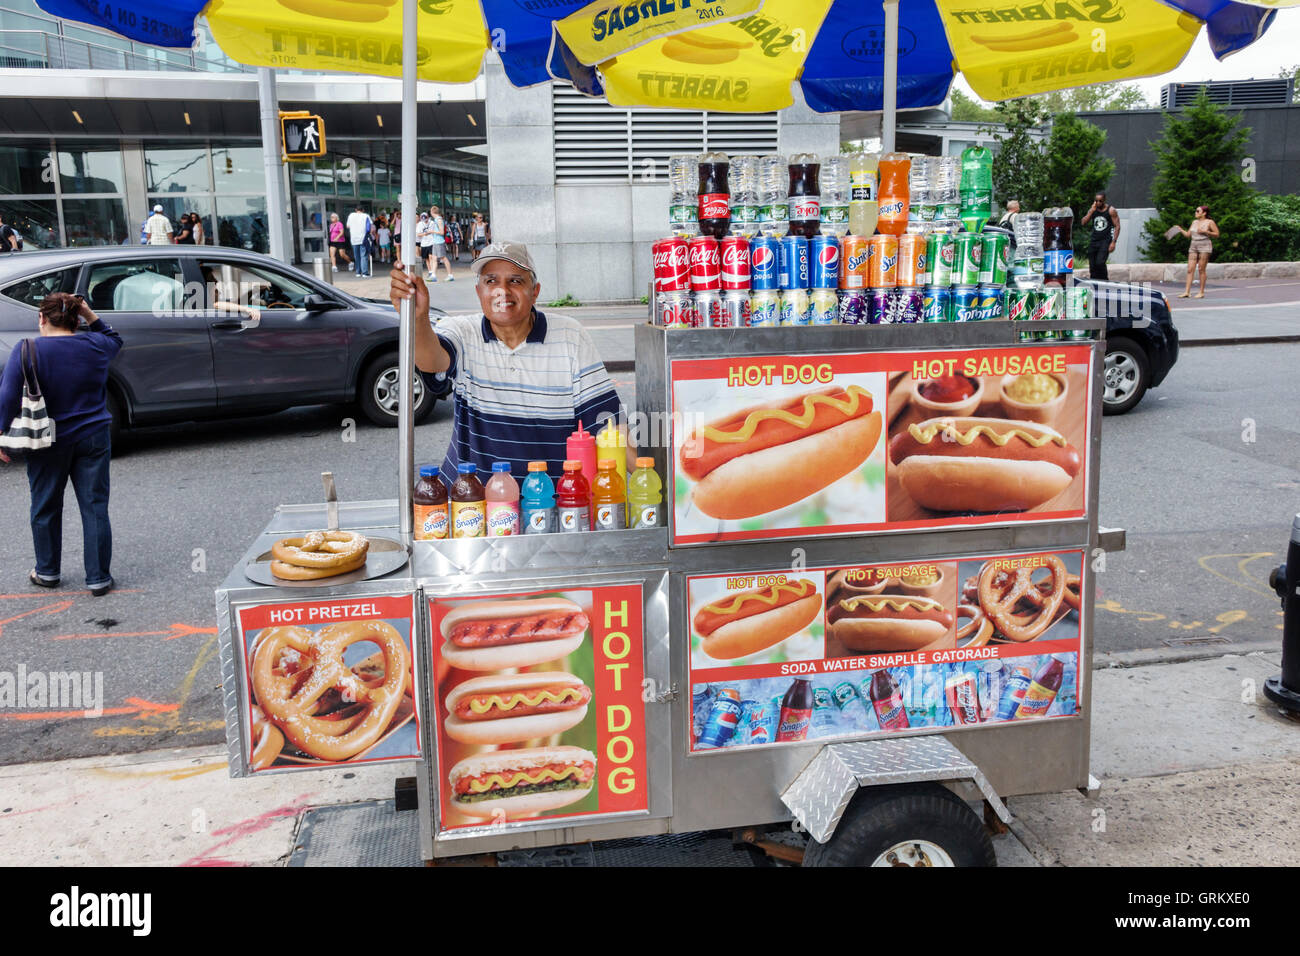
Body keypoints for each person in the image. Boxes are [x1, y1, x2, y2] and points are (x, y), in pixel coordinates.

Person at [389, 241, 622, 484]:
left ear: (535, 292)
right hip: (472, 505)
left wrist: (647, 478)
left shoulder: (570, 336)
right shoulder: (462, 331)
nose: (503, 291)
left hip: (547, 502)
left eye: (515, 281)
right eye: (491, 281)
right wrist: (418, 319)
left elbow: (608, 424)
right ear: (479, 291)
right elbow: (432, 361)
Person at [0, 293, 122, 596]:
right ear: (77, 319)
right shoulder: (95, 345)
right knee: (95, 507)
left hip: (45, 439)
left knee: (45, 505)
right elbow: (114, 339)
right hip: (94, 435)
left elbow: (6, 398)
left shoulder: (27, 349)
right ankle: (98, 578)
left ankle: (47, 571)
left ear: (42, 318)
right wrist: (90, 314)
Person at [1177, 205, 1219, 298]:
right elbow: (1188, 235)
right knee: (1190, 269)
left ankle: (1201, 292)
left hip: (1204, 245)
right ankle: (1187, 292)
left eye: (1198, 211)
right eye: (1196, 211)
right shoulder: (1194, 222)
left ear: (1204, 213)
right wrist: (1180, 230)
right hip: (1193, 245)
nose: (1195, 212)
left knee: (1201, 269)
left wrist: (1206, 231)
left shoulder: (1209, 222)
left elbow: (1217, 234)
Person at [1084, 192, 1120, 281]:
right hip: (1094, 241)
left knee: (1100, 262)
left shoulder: (1111, 210)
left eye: (1100, 201)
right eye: (1096, 201)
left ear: (1104, 200)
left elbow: (1117, 226)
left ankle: (1104, 281)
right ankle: (1094, 282)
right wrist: (1091, 211)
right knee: (1092, 265)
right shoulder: (1093, 209)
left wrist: (1113, 242)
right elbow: (1083, 222)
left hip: (1105, 241)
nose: (1098, 203)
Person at [428, 206, 455, 282]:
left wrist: (432, 232)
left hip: (439, 242)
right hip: (436, 242)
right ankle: (433, 275)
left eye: (430, 211)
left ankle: (450, 275)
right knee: (434, 258)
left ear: (432, 212)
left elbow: (442, 232)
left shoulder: (439, 220)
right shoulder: (437, 219)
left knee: (444, 258)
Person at [345, 204, 373, 278]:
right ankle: (364, 273)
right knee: (363, 255)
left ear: (355, 210)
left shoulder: (351, 215)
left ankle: (358, 272)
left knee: (356, 256)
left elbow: (348, 226)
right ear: (363, 210)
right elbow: (370, 226)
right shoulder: (366, 215)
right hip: (363, 238)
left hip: (354, 238)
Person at [416, 212, 437, 279]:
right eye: (423, 219)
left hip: (431, 242)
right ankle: (430, 271)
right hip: (424, 243)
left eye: (426, 218)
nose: (425, 220)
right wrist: (424, 234)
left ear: (428, 217)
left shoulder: (432, 223)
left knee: (431, 257)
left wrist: (430, 233)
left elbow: (435, 232)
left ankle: (433, 272)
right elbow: (418, 234)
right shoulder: (420, 224)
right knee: (426, 258)